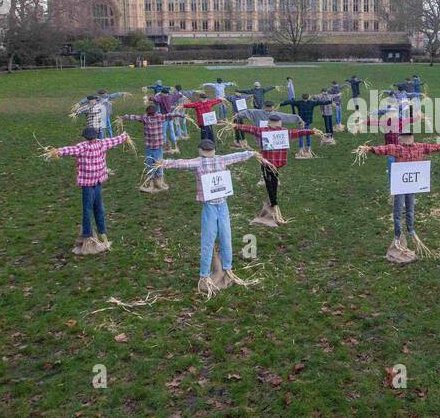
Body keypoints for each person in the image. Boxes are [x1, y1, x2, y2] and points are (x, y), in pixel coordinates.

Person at [160, 139, 271, 294]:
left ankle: (209, 274)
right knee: (225, 237)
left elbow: (181, 163)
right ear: (213, 150)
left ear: (200, 150)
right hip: (220, 205)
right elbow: (237, 156)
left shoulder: (198, 163)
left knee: (209, 239)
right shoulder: (220, 159)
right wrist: (251, 153)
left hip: (211, 207)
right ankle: (223, 269)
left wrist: (163, 163)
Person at [354, 133, 440, 263]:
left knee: (401, 210)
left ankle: (404, 234)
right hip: (407, 185)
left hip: (406, 185)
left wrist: (369, 149)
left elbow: (383, 149)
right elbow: (434, 147)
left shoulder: (398, 148)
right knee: (407, 209)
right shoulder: (416, 147)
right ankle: (404, 234)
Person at [43, 126, 134, 255]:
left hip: (88, 184)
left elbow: (70, 150)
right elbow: (115, 140)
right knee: (99, 209)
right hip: (97, 182)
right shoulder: (102, 143)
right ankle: (101, 233)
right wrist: (124, 136)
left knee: (88, 209)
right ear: (96, 136)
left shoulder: (82, 147)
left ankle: (88, 234)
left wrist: (57, 151)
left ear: (85, 137)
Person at [233, 118, 318, 226]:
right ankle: (273, 203)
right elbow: (299, 132)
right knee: (273, 181)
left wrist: (235, 125)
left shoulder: (263, 131)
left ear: (269, 122)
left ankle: (273, 204)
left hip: (266, 162)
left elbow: (250, 129)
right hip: (277, 163)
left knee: (270, 183)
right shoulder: (285, 132)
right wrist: (312, 131)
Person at [120, 103, 187, 193]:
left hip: (149, 146)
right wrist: (182, 115)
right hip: (158, 146)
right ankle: (158, 183)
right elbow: (171, 114)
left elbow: (134, 117)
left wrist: (125, 117)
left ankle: (152, 183)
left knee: (150, 163)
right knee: (158, 163)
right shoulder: (160, 117)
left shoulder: (145, 118)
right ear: (155, 112)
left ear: (147, 112)